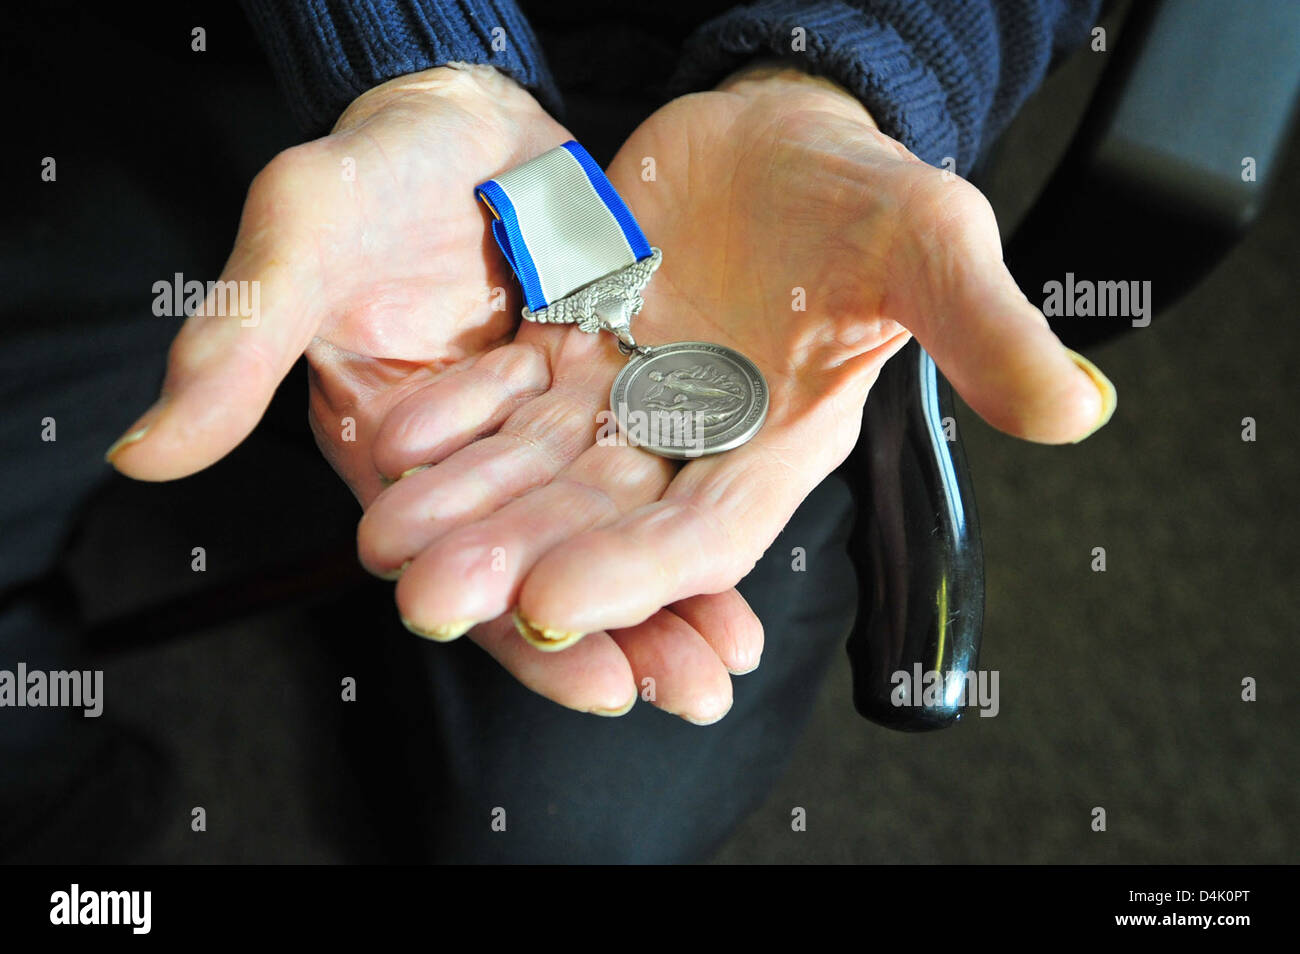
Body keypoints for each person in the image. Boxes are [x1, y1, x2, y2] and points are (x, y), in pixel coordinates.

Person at [5, 0, 1114, 862]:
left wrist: (848, 70)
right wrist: (410, 61)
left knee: (564, 831)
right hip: (236, 57)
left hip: (792, 175)